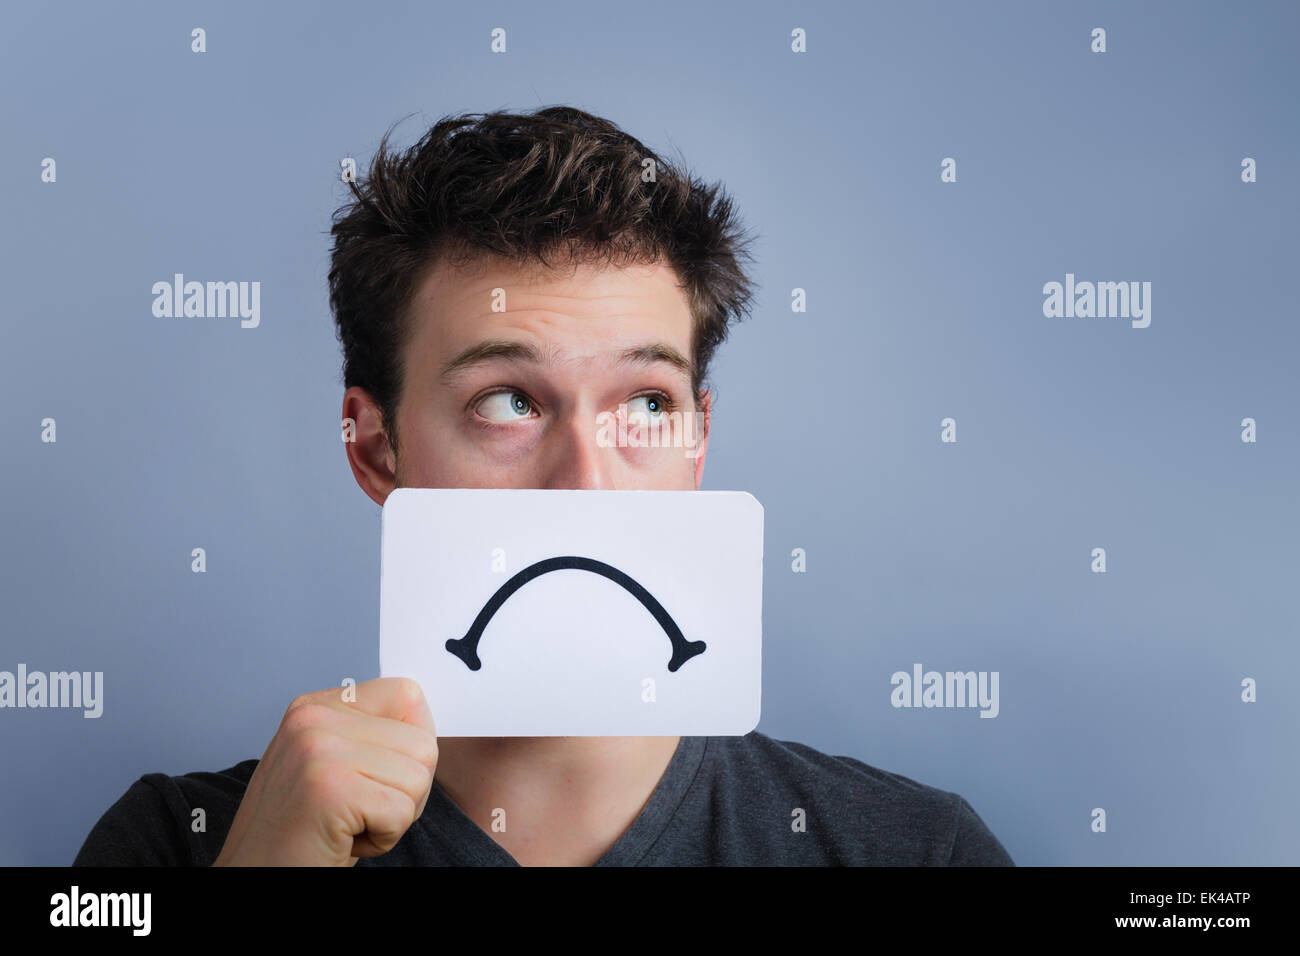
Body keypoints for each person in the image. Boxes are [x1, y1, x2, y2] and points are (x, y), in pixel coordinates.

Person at [73, 106, 1013, 866]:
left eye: (647, 403)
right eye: (510, 401)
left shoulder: (916, 851)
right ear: (374, 450)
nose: (586, 485)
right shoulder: (173, 850)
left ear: (698, 445)